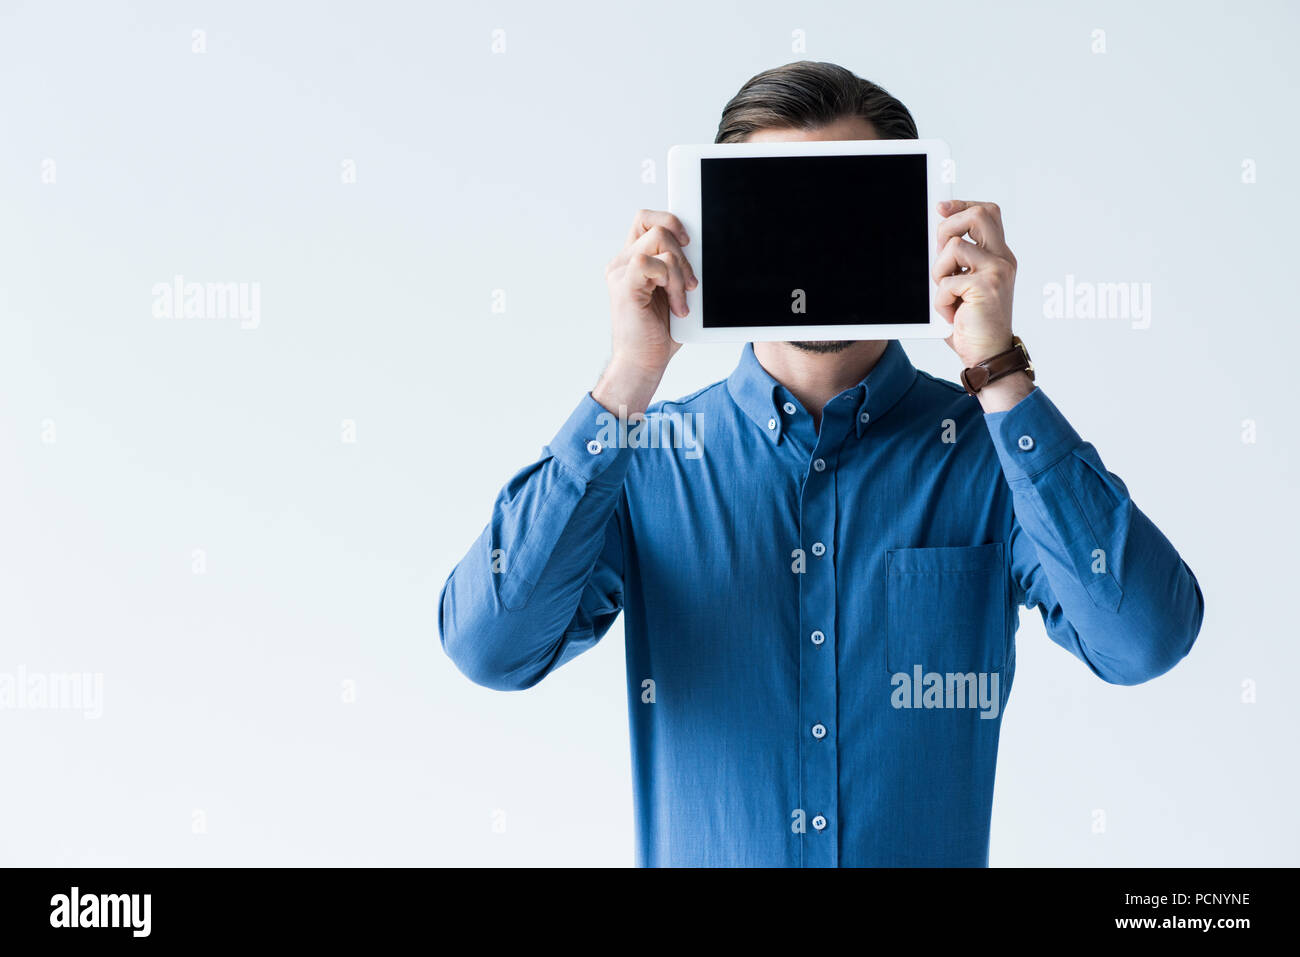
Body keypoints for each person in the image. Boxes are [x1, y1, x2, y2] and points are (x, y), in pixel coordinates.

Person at [438, 61, 1204, 867]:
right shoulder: (644, 461)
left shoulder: (990, 459)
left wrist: (1000, 372)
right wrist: (626, 378)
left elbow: (1145, 638)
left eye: (844, 214)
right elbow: (491, 646)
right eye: (781, 214)